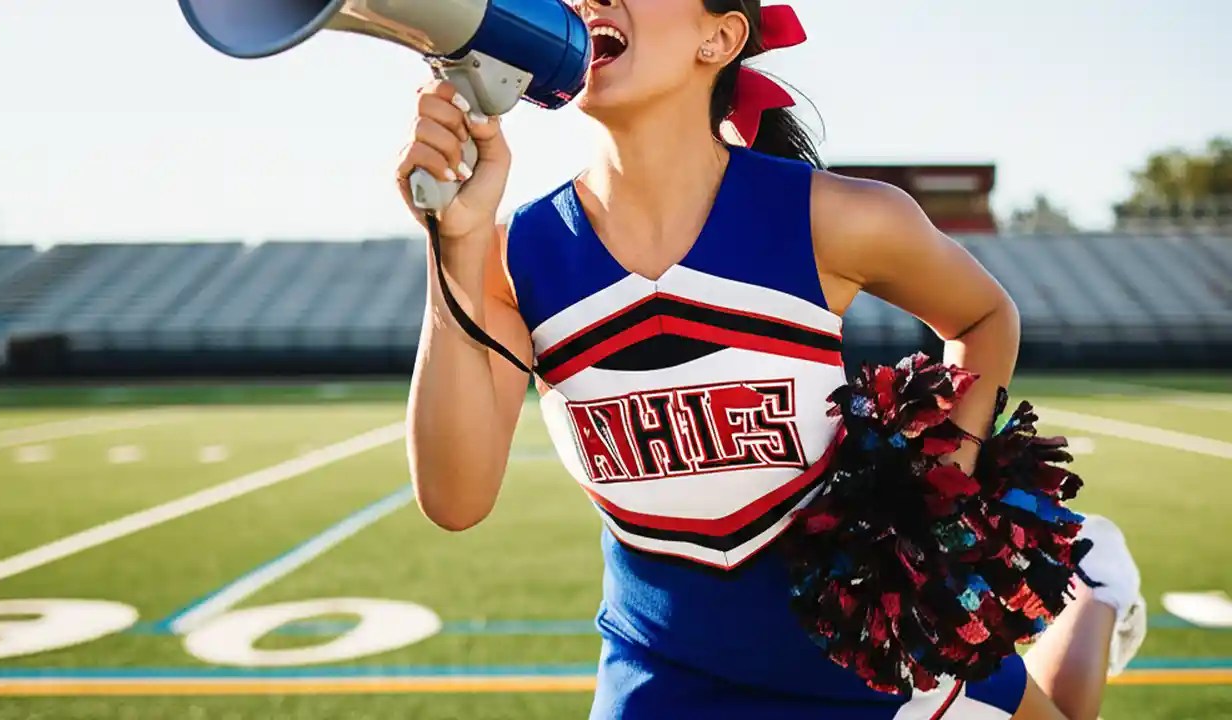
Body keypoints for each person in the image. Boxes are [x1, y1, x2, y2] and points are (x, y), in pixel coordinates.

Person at [397, 1, 1145, 717]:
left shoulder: (834, 217)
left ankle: (1096, 586)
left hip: (871, 655)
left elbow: (985, 315)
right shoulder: (514, 258)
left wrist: (935, 499)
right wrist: (452, 245)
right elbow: (455, 501)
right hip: (663, 675)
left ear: (718, 39)